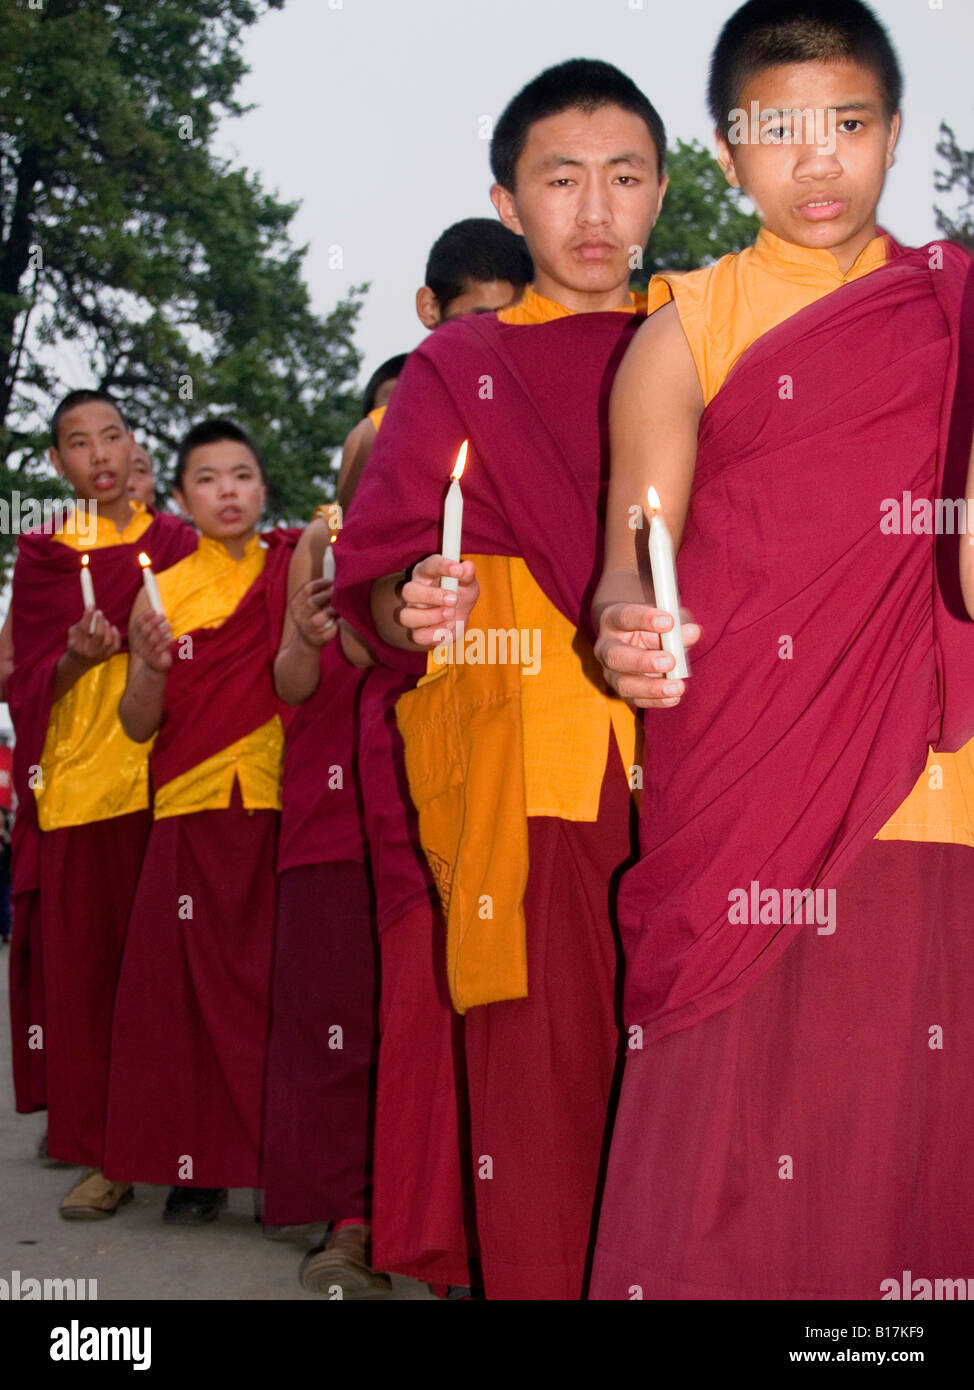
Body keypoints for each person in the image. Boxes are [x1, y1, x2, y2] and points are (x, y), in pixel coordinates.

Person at [588, 0, 974, 1299]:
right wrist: (624, 632)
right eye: (779, 129)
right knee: (731, 1175)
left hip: (932, 784)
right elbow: (624, 563)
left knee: (903, 1152)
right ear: (726, 151)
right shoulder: (682, 328)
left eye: (848, 125)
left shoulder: (953, 317)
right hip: (745, 776)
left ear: (893, 136)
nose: (819, 161)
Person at [333, 59, 671, 1299]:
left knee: (695, 1100)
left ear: (661, 191)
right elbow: (372, 587)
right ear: (509, 198)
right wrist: (410, 600)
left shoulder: (710, 339)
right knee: (537, 1100)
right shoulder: (459, 368)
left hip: (697, 754)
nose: (594, 211)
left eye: (622, 176)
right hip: (525, 770)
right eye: (560, 179)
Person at [263, 220, 532, 1297]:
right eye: (474, 319)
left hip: (523, 738)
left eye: (509, 318)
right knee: (405, 994)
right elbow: (360, 626)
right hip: (408, 749)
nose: (493, 341)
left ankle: (503, 1220)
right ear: (431, 316)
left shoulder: (548, 411)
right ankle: (379, 1213)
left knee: (514, 994)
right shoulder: (393, 432)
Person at [5, 388, 196, 1216]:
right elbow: (21, 678)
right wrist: (80, 661)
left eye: (112, 435)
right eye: (78, 443)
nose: (101, 454)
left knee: (171, 975)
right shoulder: (46, 553)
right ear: (58, 464)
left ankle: (196, 1158)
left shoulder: (179, 543)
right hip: (81, 784)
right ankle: (101, 1156)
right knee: (87, 983)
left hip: (170, 778)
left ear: (132, 443)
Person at [103, 419, 295, 1224]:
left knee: (270, 994)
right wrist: (148, 662)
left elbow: (301, 684)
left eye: (242, 475)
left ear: (262, 489)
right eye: (208, 479)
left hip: (273, 805)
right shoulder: (163, 592)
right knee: (182, 998)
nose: (228, 491)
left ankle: (280, 1167)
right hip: (188, 806)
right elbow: (138, 724)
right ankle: (197, 1164)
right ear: (180, 498)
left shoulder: (290, 572)